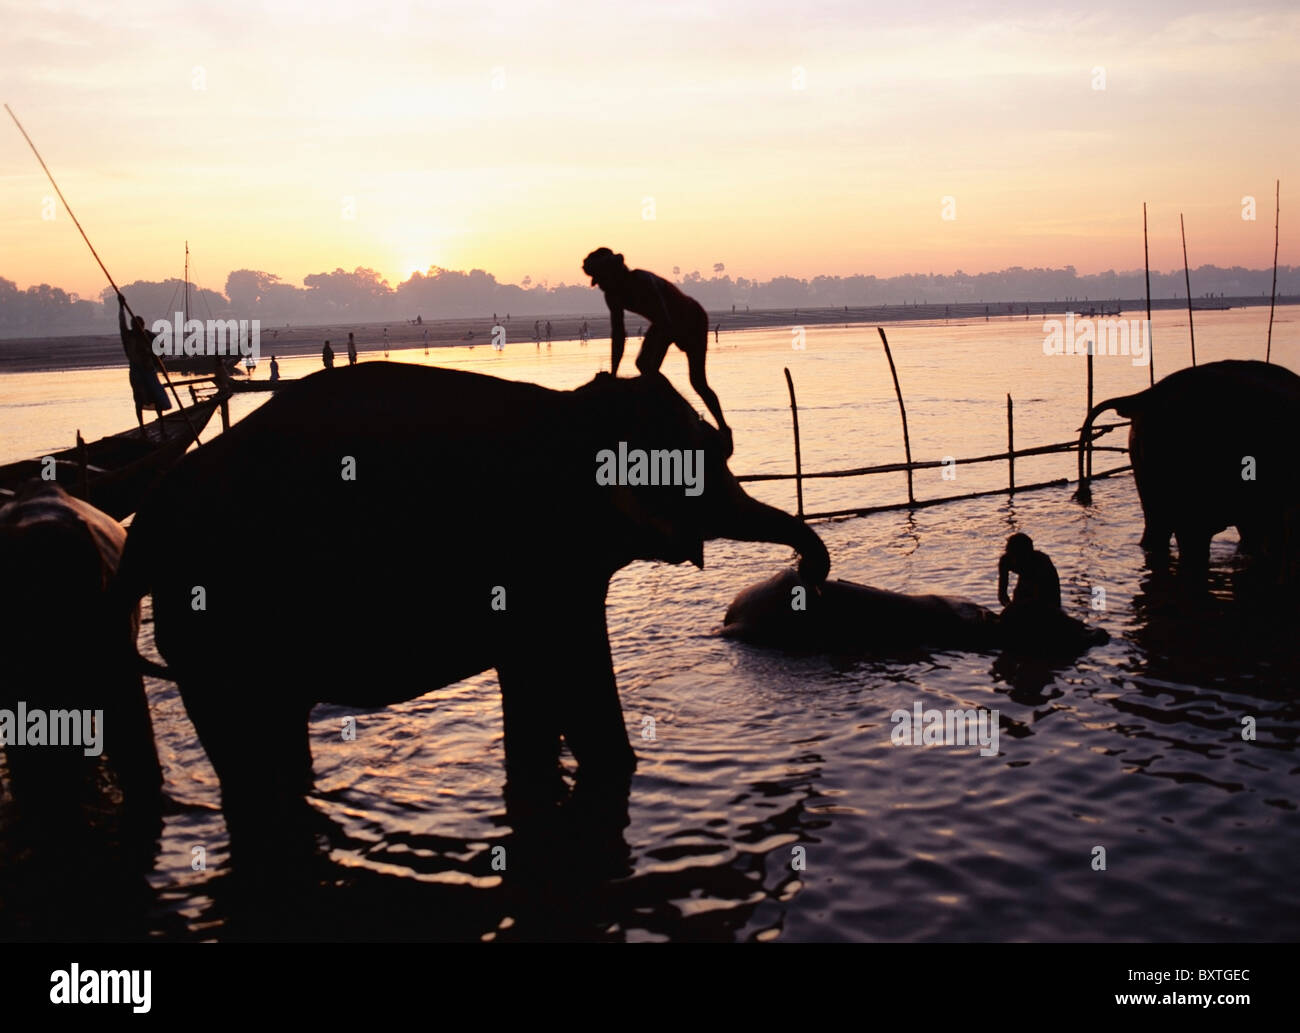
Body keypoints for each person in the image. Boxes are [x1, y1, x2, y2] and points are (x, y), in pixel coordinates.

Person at [582, 247, 733, 456]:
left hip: (691, 317)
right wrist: (614, 374)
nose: (602, 286)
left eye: (602, 279)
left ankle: (723, 428)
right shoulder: (612, 296)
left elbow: (665, 320)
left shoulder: (642, 281)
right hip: (663, 322)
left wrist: (660, 358)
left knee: (697, 381)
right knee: (644, 366)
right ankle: (672, 408)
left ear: (613, 273)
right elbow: (618, 334)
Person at [117, 292, 171, 432]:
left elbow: (161, 353)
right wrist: (121, 307)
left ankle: (162, 427)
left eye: (138, 325)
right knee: (139, 400)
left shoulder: (149, 336)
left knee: (157, 398)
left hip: (149, 371)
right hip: (136, 373)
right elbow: (122, 324)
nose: (136, 328)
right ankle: (142, 429)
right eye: (134, 325)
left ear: (142, 325)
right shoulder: (128, 336)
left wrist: (154, 357)